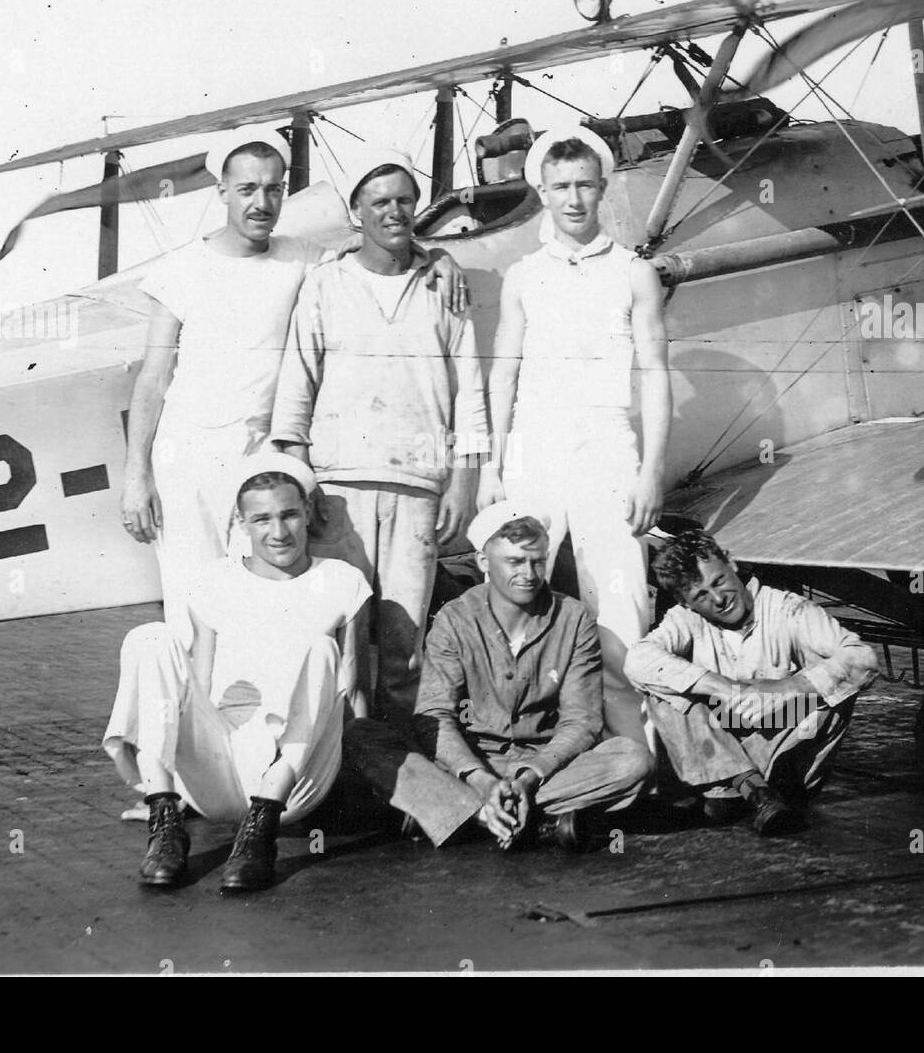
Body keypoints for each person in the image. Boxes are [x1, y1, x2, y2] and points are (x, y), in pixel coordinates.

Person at [120, 127, 468, 646]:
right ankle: (198, 726)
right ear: (221, 193)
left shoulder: (305, 257)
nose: (262, 202)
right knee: (193, 609)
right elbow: (153, 379)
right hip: (189, 456)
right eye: (246, 189)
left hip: (264, 458)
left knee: (267, 601)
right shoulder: (179, 271)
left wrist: (437, 255)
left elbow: (373, 251)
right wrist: (136, 476)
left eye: (274, 189)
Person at [271, 148, 490, 722]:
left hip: (418, 486)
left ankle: (401, 780)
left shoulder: (445, 287)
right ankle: (342, 772)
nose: (394, 212)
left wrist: (462, 486)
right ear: (356, 212)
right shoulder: (325, 285)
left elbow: (470, 393)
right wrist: (302, 484)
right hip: (337, 489)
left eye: (404, 200)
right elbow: (296, 392)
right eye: (379, 202)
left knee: (404, 647)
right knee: (339, 643)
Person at [478, 126, 671, 747]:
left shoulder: (634, 273)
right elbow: (502, 374)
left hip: (609, 449)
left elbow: (657, 376)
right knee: (512, 607)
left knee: (620, 616)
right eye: (560, 187)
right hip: (534, 450)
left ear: (603, 187)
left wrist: (650, 472)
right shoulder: (523, 276)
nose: (574, 199)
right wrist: (491, 465)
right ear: (541, 190)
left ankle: (633, 761)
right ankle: (515, 754)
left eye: (586, 185)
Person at [103, 452, 371, 892]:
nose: (278, 532)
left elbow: (353, 689)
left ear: (307, 514)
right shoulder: (215, 580)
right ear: (242, 524)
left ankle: (260, 831)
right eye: (262, 519)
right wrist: (172, 760)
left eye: (289, 515)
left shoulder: (343, 579)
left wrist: (366, 778)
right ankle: (164, 813)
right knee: (149, 637)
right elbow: (199, 684)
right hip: (220, 764)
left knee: (317, 644)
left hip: (295, 779)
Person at [344, 502, 655, 851]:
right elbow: (434, 717)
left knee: (632, 758)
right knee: (361, 736)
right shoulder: (454, 619)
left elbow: (581, 721)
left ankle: (462, 814)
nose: (529, 574)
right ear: (482, 563)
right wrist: (480, 779)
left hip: (544, 767)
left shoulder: (574, 618)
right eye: (514, 562)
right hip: (470, 763)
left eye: (537, 560)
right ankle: (527, 821)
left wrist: (528, 777)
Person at [625, 527, 878, 835]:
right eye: (701, 595)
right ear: (685, 602)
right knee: (662, 688)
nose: (718, 599)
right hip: (724, 754)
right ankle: (752, 792)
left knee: (834, 686)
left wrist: (788, 688)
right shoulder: (685, 619)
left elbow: (863, 658)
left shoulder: (787, 608)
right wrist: (723, 687)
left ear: (730, 563)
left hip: (782, 753)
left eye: (718, 581)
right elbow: (637, 659)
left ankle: (756, 790)